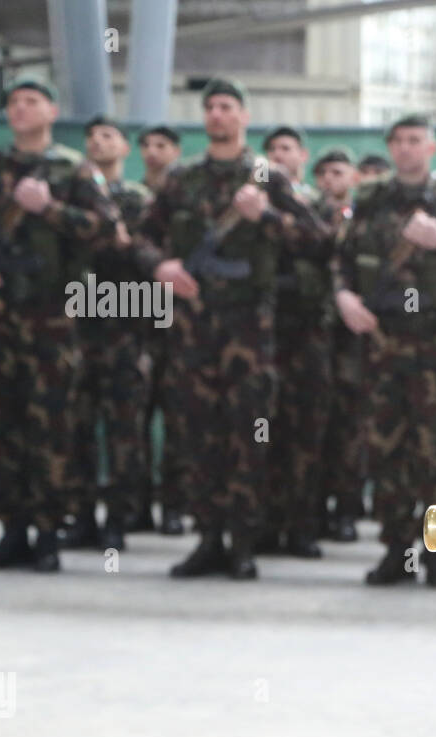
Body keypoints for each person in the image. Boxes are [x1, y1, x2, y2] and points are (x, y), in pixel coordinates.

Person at [134, 77, 325, 580]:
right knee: (198, 433)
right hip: (193, 328)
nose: (218, 115)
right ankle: (208, 538)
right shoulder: (182, 178)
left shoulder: (267, 177)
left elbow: (318, 240)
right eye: (211, 107)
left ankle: (243, 540)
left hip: (249, 329)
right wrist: (161, 267)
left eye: (227, 107)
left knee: (248, 431)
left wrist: (265, 218)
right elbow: (139, 237)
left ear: (243, 116)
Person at [0, 74, 120, 572]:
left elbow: (107, 232)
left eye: (31, 101)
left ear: (51, 112)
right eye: (13, 102)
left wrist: (50, 209)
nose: (20, 109)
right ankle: (11, 528)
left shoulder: (74, 171)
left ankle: (48, 532)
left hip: (51, 319)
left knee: (51, 424)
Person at [331, 114, 436, 587]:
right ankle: (394, 550)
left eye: (414, 140)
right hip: (383, 344)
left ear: (431, 146)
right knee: (386, 448)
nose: (405, 149)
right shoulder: (371, 200)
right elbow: (340, 259)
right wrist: (343, 297)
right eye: (397, 141)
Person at [67, 114, 153, 552]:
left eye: (107, 136)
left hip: (125, 323)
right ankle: (80, 516)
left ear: (124, 148)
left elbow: (138, 253)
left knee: (123, 428)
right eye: (91, 137)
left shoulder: (138, 199)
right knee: (75, 425)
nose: (97, 143)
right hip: (77, 322)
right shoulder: (73, 198)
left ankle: (119, 519)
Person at [259, 125, 337, 558]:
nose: (278, 156)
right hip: (262, 335)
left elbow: (324, 243)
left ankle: (303, 525)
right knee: (264, 432)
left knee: (307, 432)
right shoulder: (246, 204)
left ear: (302, 156)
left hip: (308, 334)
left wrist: (281, 197)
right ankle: (266, 524)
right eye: (271, 149)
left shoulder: (316, 204)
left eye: (286, 149)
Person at [133, 123, 187, 535]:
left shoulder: (188, 197)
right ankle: (136, 505)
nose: (153, 152)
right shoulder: (131, 200)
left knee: (178, 417)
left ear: (177, 151)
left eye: (162, 145)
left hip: (182, 317)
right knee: (134, 414)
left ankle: (173, 505)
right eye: (147, 145)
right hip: (136, 314)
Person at [312, 147, 366, 543]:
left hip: (352, 341)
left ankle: (346, 510)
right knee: (314, 426)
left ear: (354, 178)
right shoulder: (306, 217)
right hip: (312, 336)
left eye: (339, 171)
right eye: (325, 172)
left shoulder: (363, 223)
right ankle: (311, 512)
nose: (332, 179)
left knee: (350, 427)